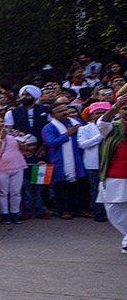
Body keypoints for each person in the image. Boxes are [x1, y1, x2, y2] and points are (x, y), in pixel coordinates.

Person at [44, 100, 88, 218]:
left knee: (80, 185)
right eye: (60, 111)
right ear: (52, 115)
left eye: (65, 109)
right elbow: (52, 143)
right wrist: (67, 134)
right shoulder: (49, 128)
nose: (64, 112)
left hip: (78, 159)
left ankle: (80, 209)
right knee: (62, 187)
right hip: (60, 161)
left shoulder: (77, 122)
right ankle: (64, 211)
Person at [0, 112, 28, 224]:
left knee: (16, 191)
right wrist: (1, 139)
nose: (0, 124)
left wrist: (21, 139)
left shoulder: (12, 135)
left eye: (2, 121)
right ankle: (5, 214)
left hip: (17, 165)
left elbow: (23, 149)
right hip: (0, 167)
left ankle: (15, 213)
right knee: (3, 192)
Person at [95, 94, 127, 250]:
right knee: (114, 210)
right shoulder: (112, 127)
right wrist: (114, 107)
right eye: (125, 108)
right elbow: (103, 122)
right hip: (116, 175)